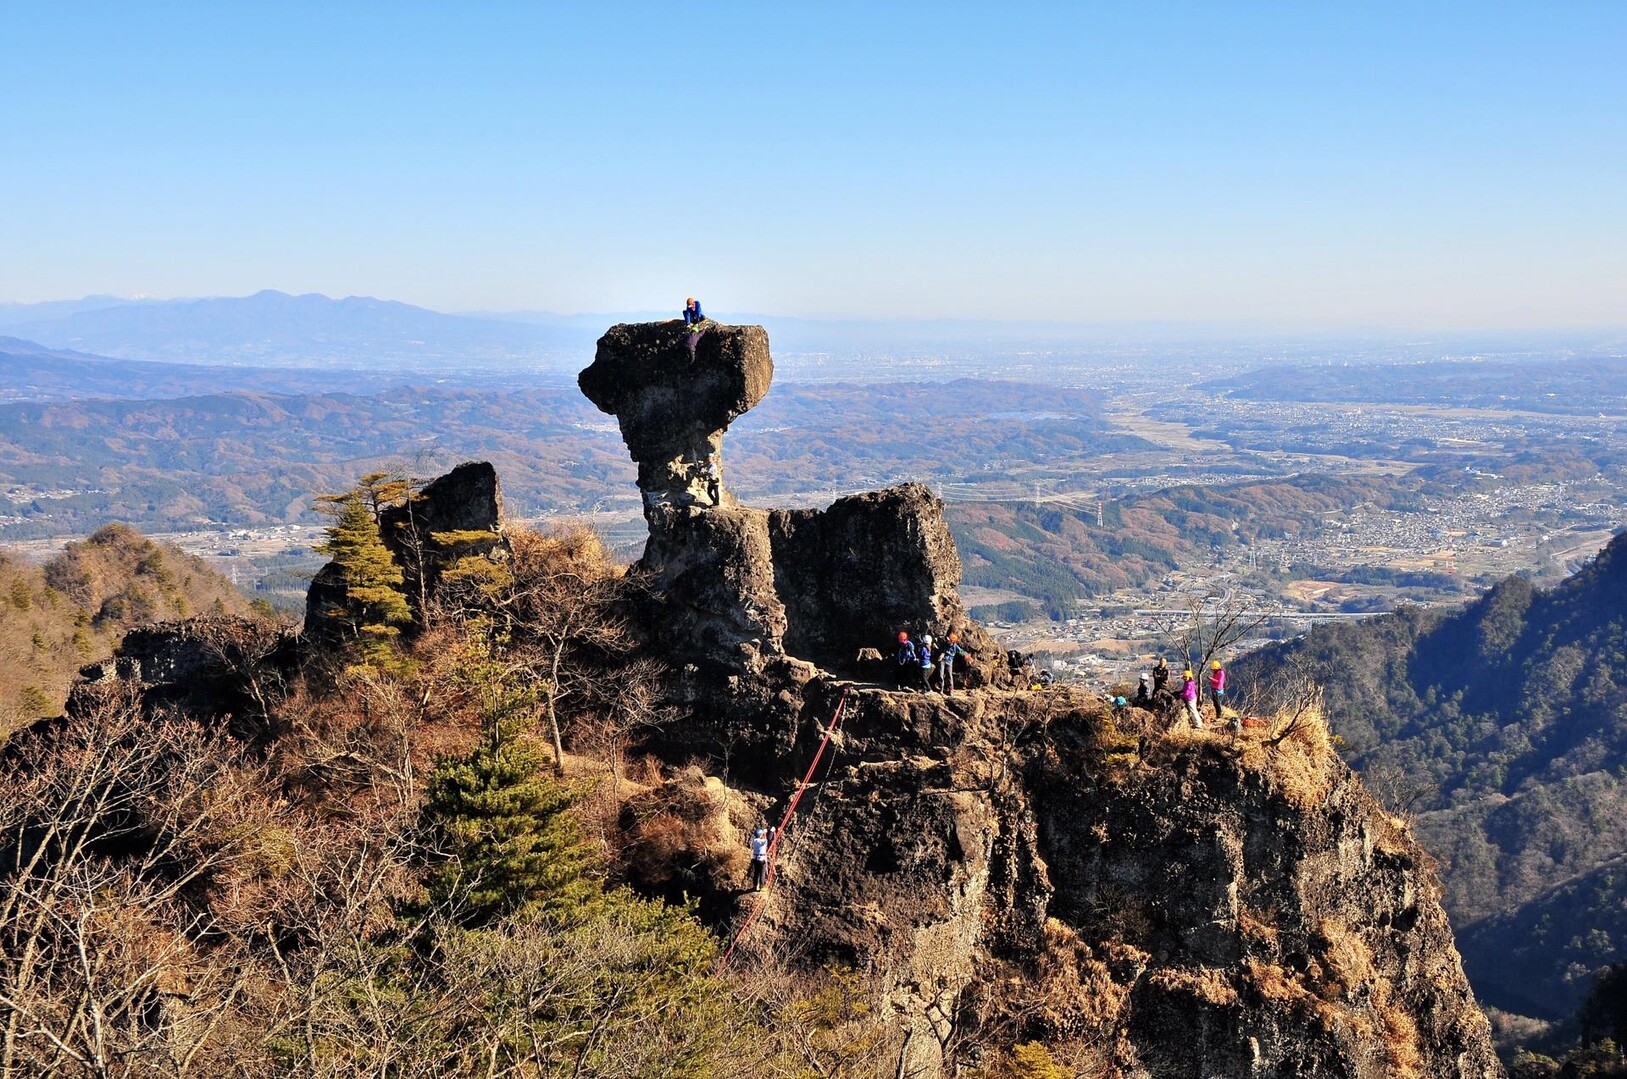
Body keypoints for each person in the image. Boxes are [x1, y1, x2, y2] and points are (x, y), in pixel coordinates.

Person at [748, 826, 774, 890]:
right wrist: (771, 831)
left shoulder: (755, 841)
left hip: (755, 859)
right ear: (760, 835)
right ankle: (761, 887)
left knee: (756, 872)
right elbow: (768, 839)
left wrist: (763, 832)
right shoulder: (762, 842)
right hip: (761, 860)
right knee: (762, 873)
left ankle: (755, 886)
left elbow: (758, 837)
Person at [1207, 660, 1228, 724]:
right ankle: (1218, 714)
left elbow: (1219, 682)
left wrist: (1211, 679)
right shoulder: (1216, 672)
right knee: (1215, 703)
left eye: (1213, 669)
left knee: (1217, 703)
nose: (1213, 670)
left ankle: (1219, 714)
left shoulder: (1221, 673)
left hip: (1217, 689)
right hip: (1214, 688)